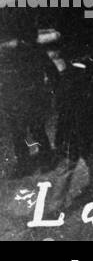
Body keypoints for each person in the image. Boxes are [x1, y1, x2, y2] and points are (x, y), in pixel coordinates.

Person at [42, 31, 93, 210]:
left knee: (66, 168)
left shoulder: (62, 79)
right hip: (89, 129)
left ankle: (55, 206)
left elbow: (61, 107)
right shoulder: (90, 76)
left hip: (70, 131)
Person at [1, 32, 54, 178]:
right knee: (22, 130)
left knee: (29, 128)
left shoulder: (26, 48)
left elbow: (43, 69)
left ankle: (40, 160)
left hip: (26, 93)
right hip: (15, 94)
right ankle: (35, 161)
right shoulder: (24, 48)